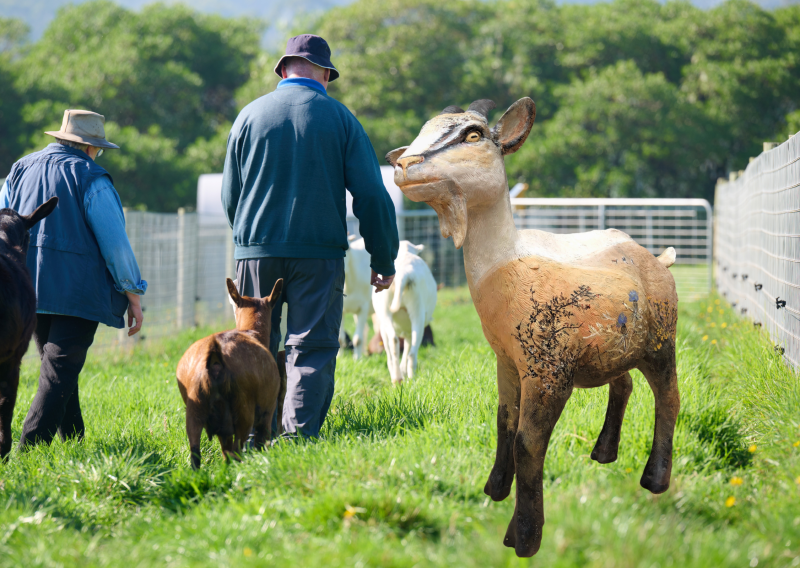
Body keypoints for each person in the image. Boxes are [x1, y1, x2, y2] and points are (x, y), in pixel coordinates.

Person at [222, 34, 399, 438]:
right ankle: (298, 437)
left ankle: (253, 436)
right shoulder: (340, 119)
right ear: (324, 73)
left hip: (257, 250)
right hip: (319, 254)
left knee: (253, 343)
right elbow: (372, 194)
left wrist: (250, 238)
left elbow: (230, 195)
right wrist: (383, 258)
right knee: (312, 346)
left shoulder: (248, 116)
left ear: (284, 69)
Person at [0, 109, 146, 448]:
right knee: (58, 372)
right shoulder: (92, 177)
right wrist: (133, 294)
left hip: (25, 289)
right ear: (91, 148)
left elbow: (4, 220)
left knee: (60, 368)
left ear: (61, 138)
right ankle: (30, 449)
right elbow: (115, 244)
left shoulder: (20, 169)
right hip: (77, 292)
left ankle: (75, 443)